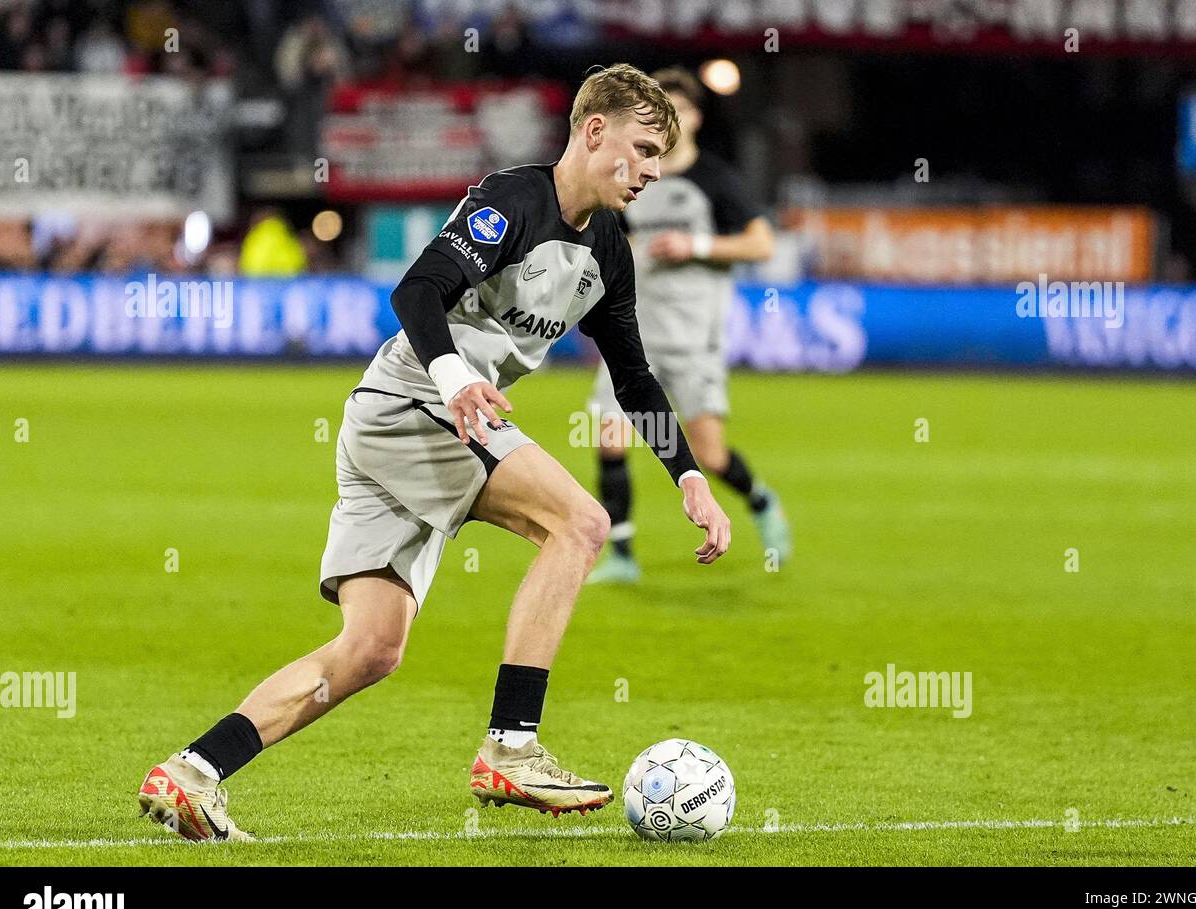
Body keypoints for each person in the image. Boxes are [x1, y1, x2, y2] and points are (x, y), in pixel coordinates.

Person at [137, 64, 731, 840]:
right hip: (419, 401)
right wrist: (453, 379)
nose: (653, 169)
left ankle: (193, 772)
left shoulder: (609, 250)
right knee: (579, 526)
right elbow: (417, 290)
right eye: (645, 147)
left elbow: (634, 376)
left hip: (410, 421)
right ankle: (512, 745)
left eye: (662, 155)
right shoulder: (512, 200)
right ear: (594, 132)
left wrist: (687, 473)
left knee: (371, 649)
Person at [585, 67, 790, 585]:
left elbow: (762, 245)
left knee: (708, 455)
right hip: (635, 339)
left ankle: (760, 501)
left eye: (678, 110)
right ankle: (623, 556)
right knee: (611, 438)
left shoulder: (715, 180)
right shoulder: (628, 178)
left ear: (696, 118)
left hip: (694, 340)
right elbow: (613, 244)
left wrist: (695, 246)